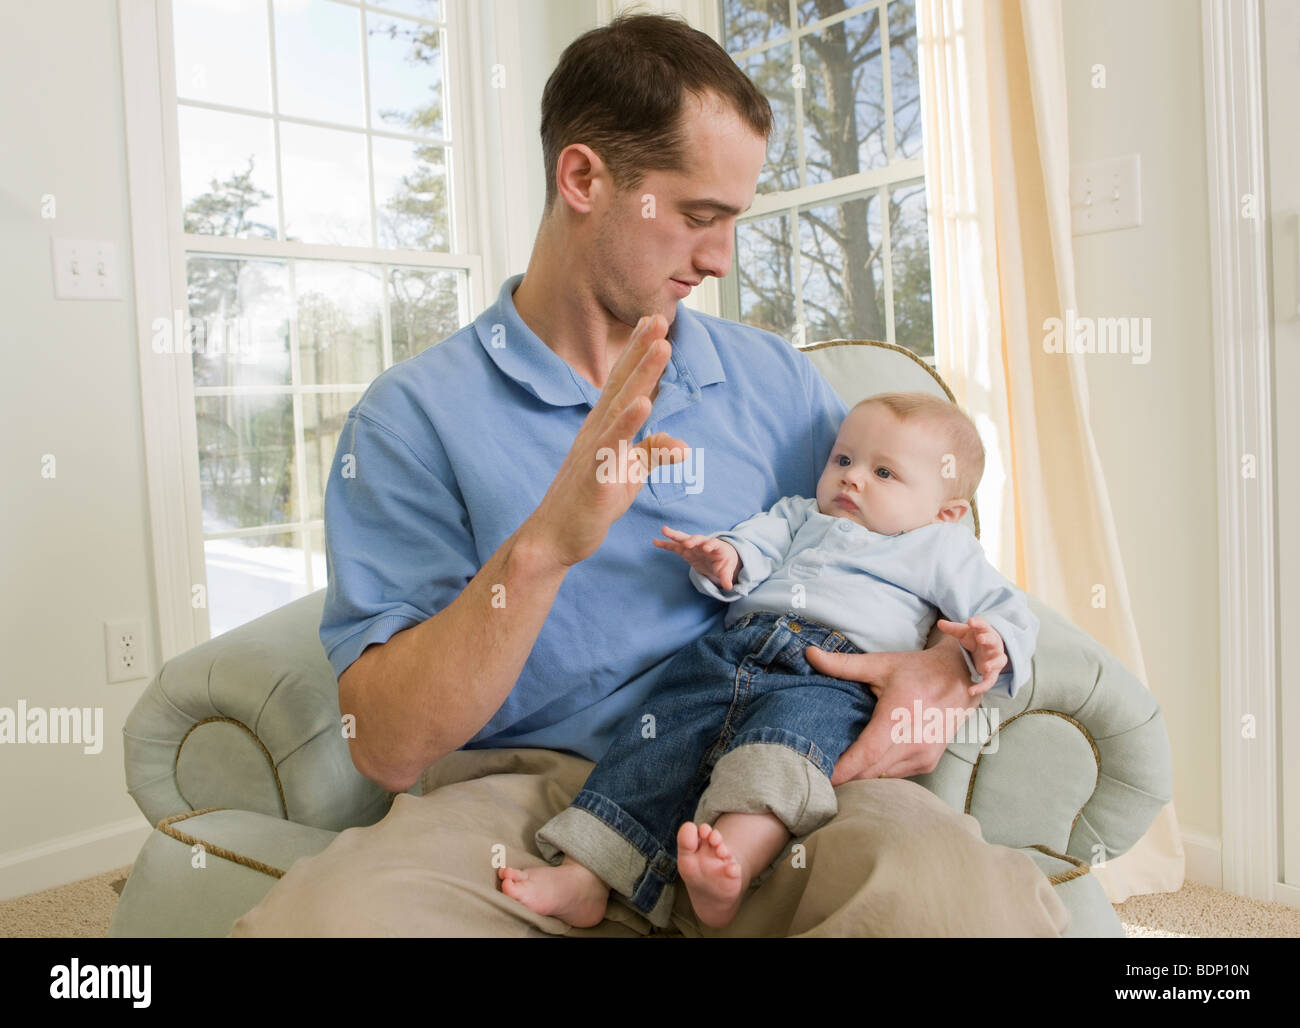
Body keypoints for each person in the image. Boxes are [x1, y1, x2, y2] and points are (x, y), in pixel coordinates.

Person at [229, 12, 1068, 938]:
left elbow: (925, 563)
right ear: (584, 177)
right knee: (323, 926)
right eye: (699, 217)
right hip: (535, 799)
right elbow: (385, 746)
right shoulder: (411, 419)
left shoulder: (777, 382)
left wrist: (946, 672)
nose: (719, 259)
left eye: (732, 221)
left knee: (960, 906)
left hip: (776, 765)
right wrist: (546, 546)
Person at [499, 392, 1041, 928]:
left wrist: (989, 641)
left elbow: (1007, 609)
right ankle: (584, 873)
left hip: (832, 677)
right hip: (734, 651)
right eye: (844, 461)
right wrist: (724, 557)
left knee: (781, 754)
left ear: (947, 513)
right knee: (660, 737)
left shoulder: (941, 548)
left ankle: (729, 862)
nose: (852, 478)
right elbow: (752, 546)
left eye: (884, 473)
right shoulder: (799, 514)